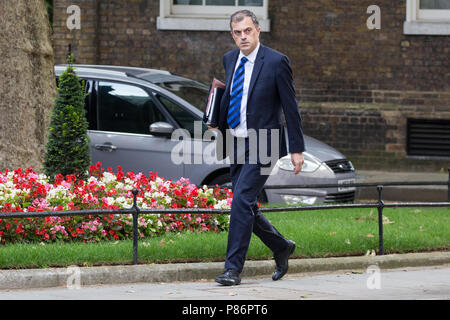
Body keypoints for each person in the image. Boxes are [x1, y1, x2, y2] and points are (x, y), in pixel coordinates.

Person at [208, 9, 305, 286]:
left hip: (266, 143)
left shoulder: (276, 62)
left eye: (247, 31)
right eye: (237, 33)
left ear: (258, 30)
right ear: (232, 35)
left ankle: (232, 269)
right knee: (245, 202)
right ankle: (281, 246)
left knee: (240, 201)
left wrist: (296, 148)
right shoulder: (229, 59)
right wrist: (215, 120)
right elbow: (232, 99)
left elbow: (291, 107)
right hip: (235, 142)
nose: (243, 37)